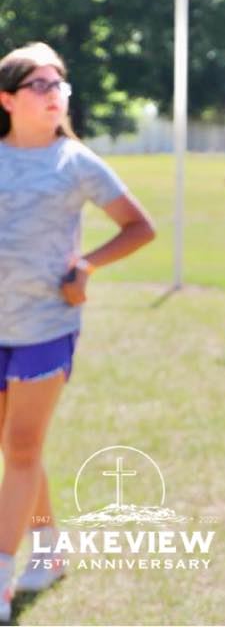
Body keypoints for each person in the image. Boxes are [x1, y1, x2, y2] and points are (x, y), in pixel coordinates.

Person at [0, 42, 155, 614]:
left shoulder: (77, 164)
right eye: (39, 85)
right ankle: (48, 550)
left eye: (59, 84)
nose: (54, 94)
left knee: (20, 447)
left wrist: (87, 265)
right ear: (7, 99)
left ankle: (2, 574)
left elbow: (140, 227)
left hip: (46, 326)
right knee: (14, 448)